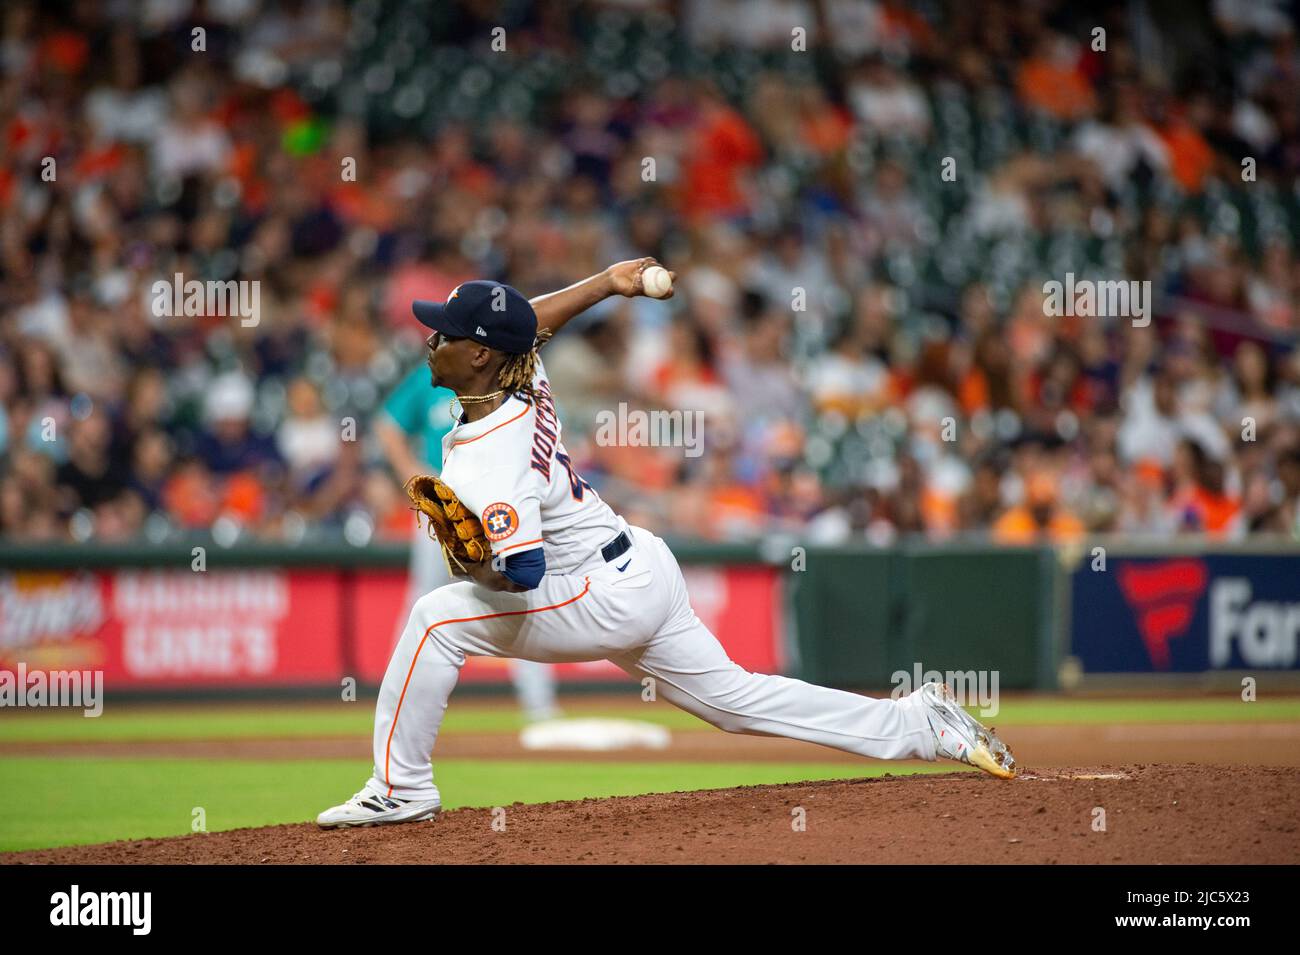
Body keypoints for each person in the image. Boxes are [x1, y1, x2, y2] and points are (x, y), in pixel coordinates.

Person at [317, 259, 1015, 828]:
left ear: (476, 354)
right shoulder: (522, 373)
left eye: (442, 334)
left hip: (597, 592)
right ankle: (920, 723)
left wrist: (471, 562)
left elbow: (523, 574)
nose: (429, 341)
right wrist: (607, 282)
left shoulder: (488, 456)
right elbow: (533, 321)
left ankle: (400, 785)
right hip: (638, 563)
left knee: (436, 618)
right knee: (739, 701)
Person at [375, 338, 560, 722]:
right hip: (442, 508)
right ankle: (398, 706)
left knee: (521, 597)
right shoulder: (427, 380)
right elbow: (387, 425)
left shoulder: (505, 379)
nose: (436, 345)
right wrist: (412, 475)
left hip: (494, 501)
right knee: (422, 601)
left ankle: (540, 706)